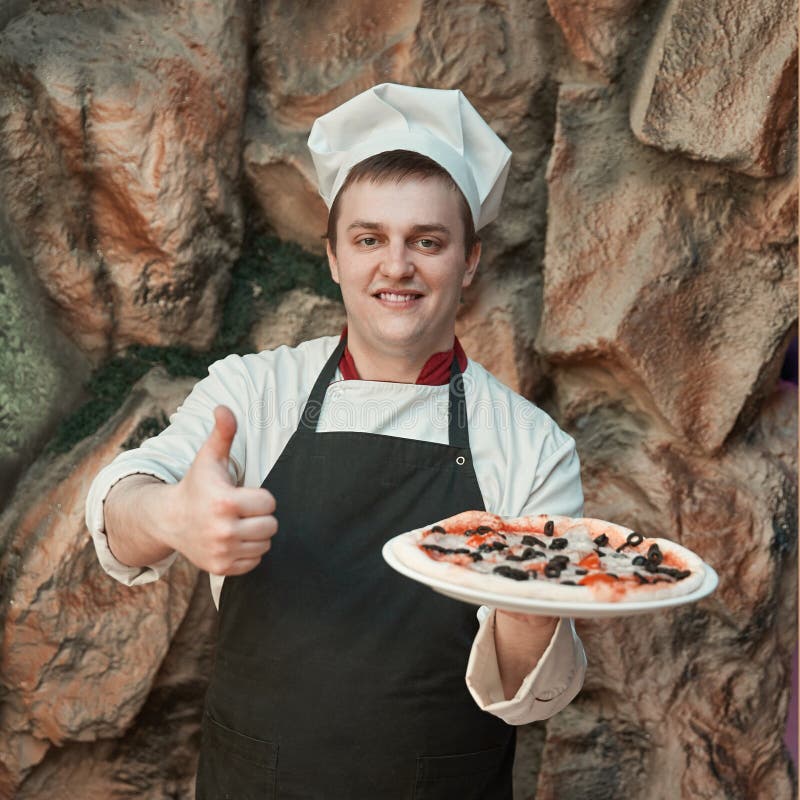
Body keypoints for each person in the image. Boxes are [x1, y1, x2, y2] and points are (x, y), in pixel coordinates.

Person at [85, 82, 587, 799]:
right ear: (332, 256)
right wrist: (171, 517)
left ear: (469, 260)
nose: (397, 266)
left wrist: (533, 607)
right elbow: (118, 509)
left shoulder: (532, 447)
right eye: (370, 239)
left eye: (429, 242)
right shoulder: (254, 393)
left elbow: (529, 698)